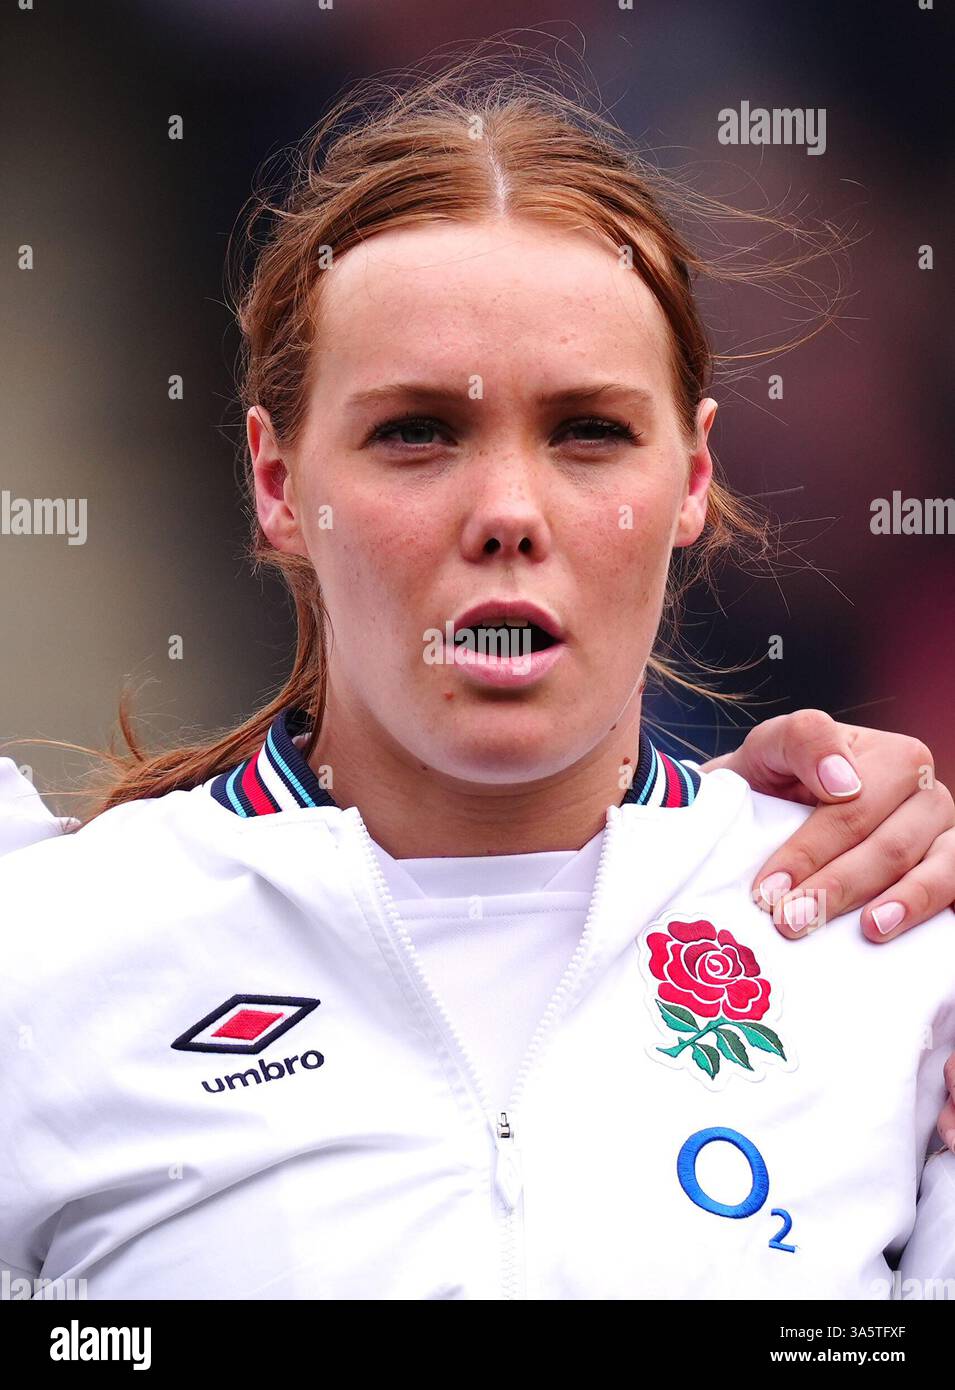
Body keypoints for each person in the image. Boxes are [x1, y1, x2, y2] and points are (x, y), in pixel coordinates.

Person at [1, 57, 953, 1301]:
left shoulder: (897, 955)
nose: (507, 512)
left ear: (692, 477)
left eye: (587, 431)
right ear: (278, 483)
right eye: (416, 433)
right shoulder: (46, 953)